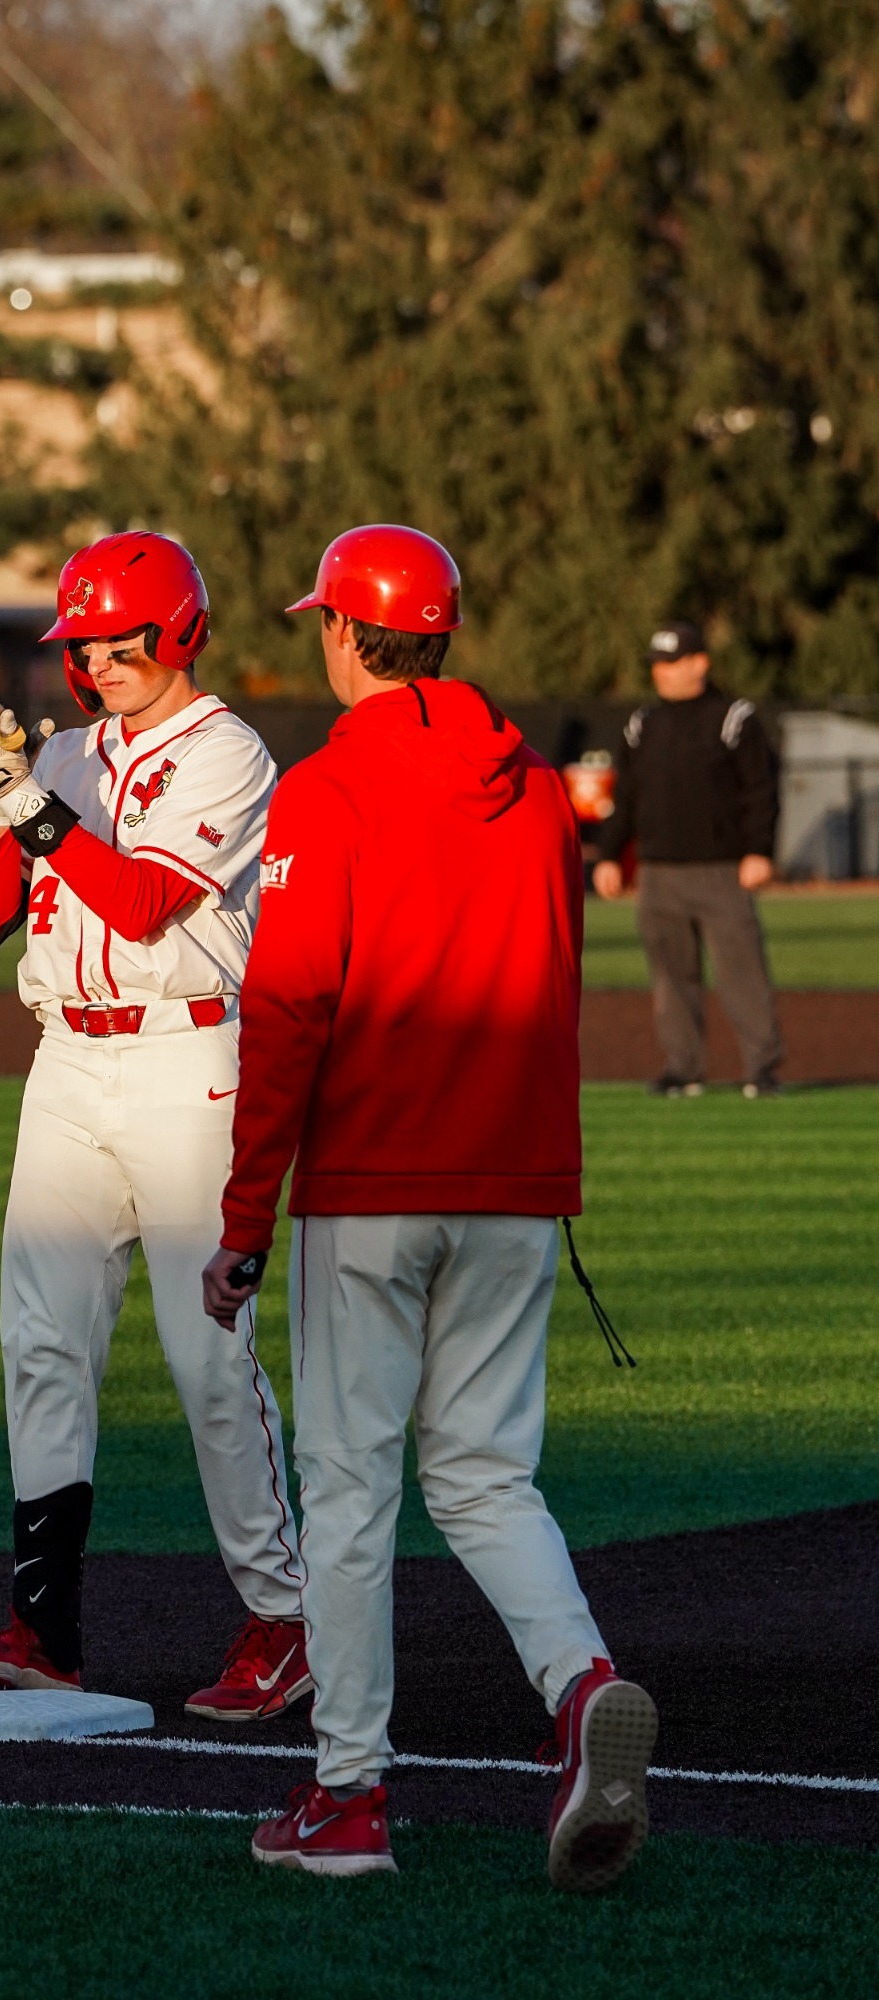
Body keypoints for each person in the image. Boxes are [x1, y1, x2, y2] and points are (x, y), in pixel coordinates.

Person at [202, 524, 657, 1890]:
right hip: (516, 1181)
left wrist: (239, 1223)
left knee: (348, 1490)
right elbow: (563, 976)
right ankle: (580, 1690)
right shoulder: (530, 796)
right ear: (440, 636)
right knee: (484, 1475)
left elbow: (286, 1012)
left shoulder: (332, 788)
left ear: (347, 633)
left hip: (377, 1187)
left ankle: (348, 1799)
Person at [0, 530, 309, 1723]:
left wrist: (25, 799)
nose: (101, 655)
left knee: (207, 1359)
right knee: (39, 1346)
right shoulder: (68, 753)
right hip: (67, 1061)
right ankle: (44, 1633)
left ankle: (284, 1617)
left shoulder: (229, 752)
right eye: (83, 639)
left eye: (121, 633)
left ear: (179, 627)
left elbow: (145, 903)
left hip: (188, 1056)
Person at [591, 620, 784, 1098]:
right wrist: (610, 854)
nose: (663, 673)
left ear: (700, 663)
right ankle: (684, 1067)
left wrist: (759, 850)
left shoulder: (733, 717)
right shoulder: (643, 723)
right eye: (657, 664)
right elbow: (627, 796)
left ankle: (762, 1069)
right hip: (659, 872)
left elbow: (761, 790)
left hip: (721, 869)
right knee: (671, 976)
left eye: (673, 662)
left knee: (742, 974)